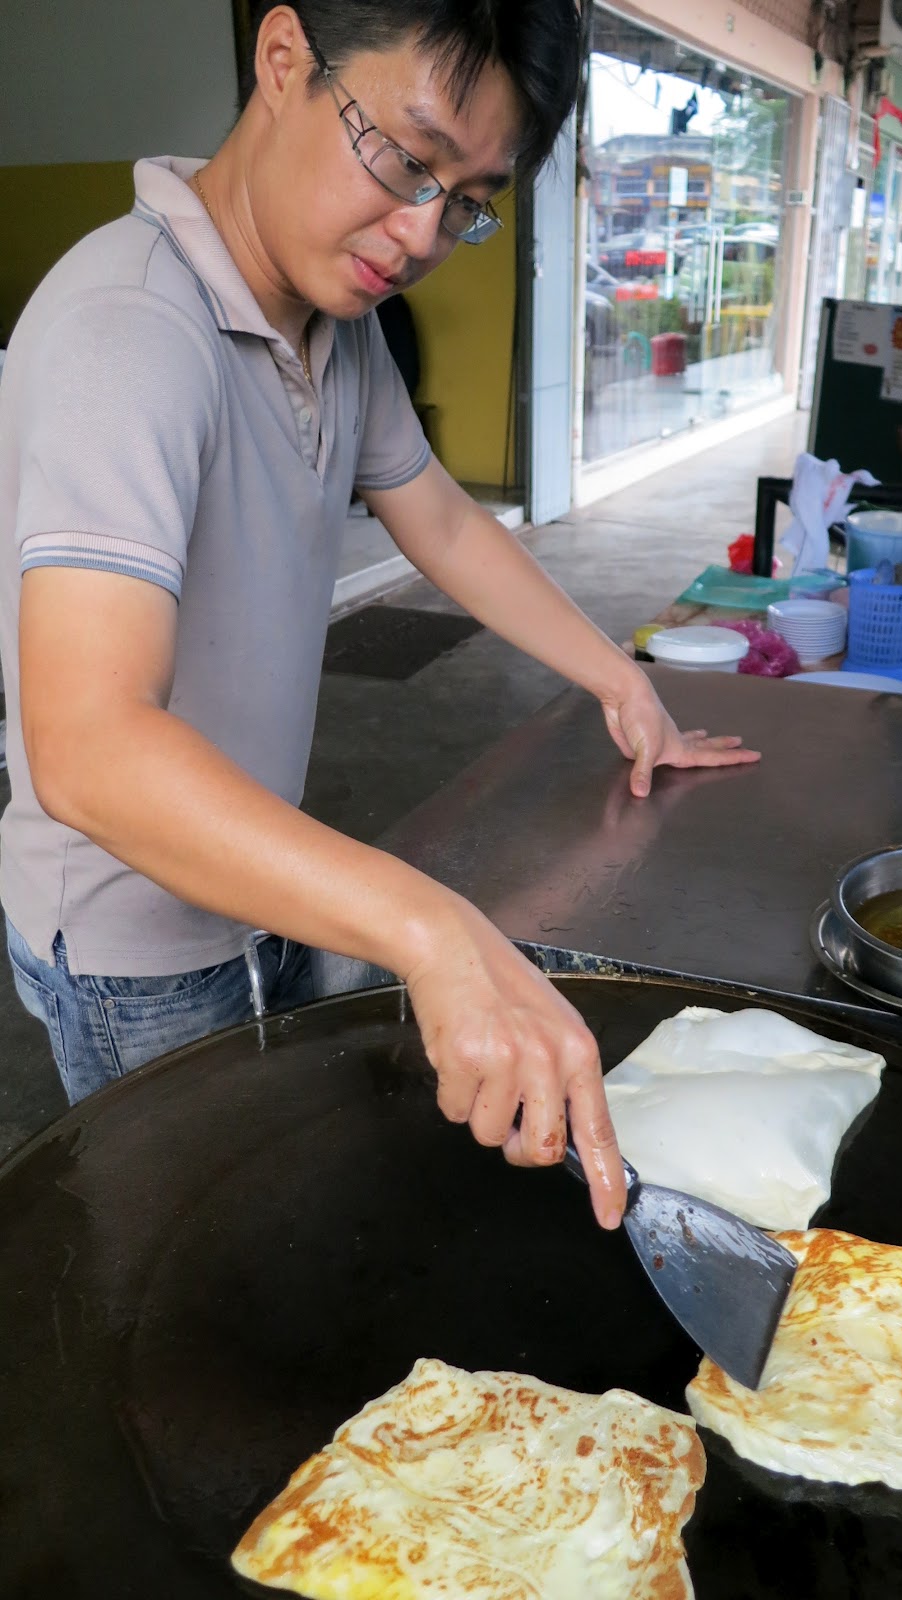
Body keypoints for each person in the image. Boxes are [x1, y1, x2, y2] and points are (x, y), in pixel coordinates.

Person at [0, 1, 759, 1229]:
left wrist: (620, 683)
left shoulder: (335, 327)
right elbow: (87, 748)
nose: (419, 235)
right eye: (406, 159)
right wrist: (432, 930)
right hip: (133, 938)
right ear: (283, 60)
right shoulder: (129, 331)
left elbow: (444, 521)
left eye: (466, 202)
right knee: (193, 1248)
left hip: (263, 872)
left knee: (288, 1194)